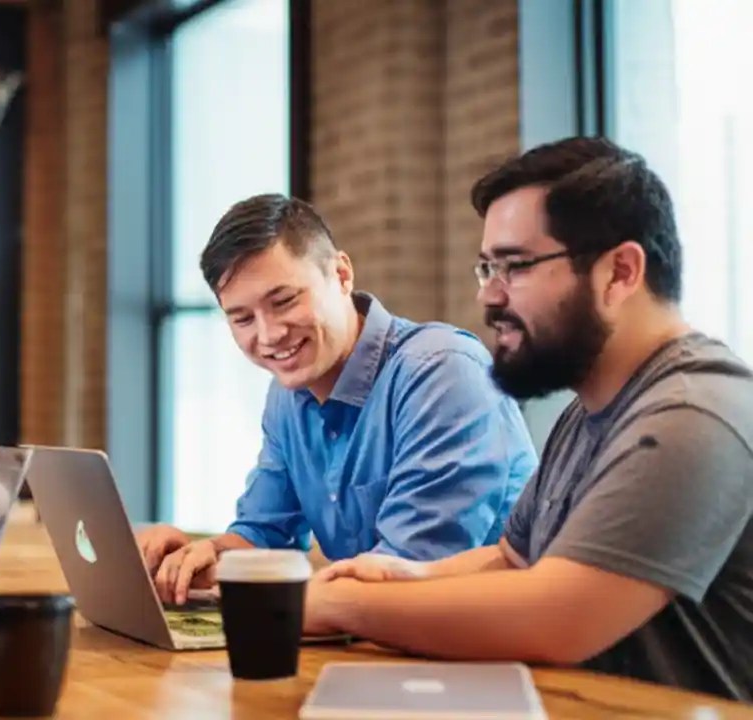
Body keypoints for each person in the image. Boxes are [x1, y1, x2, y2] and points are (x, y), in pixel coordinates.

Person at [304, 137, 752, 701]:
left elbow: (560, 617)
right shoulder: (589, 409)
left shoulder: (693, 412)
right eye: (486, 267)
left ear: (619, 272)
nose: (489, 296)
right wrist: (401, 575)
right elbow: (512, 558)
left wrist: (342, 605)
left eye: (514, 266)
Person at [138, 193, 537, 606]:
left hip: (486, 647)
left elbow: (407, 571)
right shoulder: (287, 395)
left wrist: (271, 590)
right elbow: (265, 533)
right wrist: (199, 562)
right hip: (377, 642)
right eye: (242, 319)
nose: (270, 335)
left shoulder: (442, 372)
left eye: (285, 301)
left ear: (342, 275)